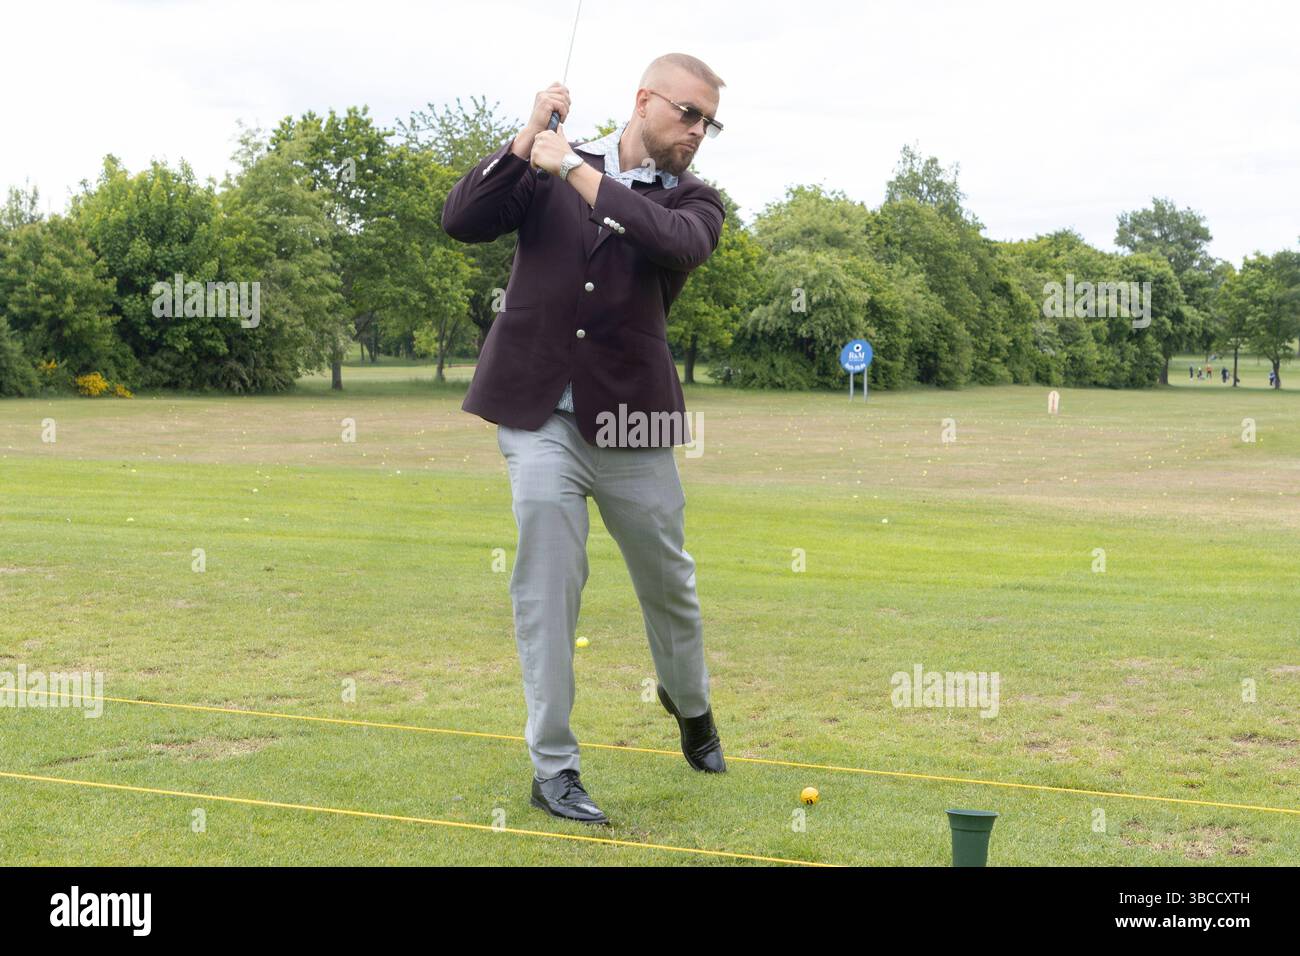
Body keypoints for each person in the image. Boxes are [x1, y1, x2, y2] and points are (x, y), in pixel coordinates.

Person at [442, 53, 729, 826]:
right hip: (538, 416)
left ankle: (689, 703)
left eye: (708, 121)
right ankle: (554, 769)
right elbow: (461, 219)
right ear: (644, 101)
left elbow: (668, 240)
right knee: (547, 580)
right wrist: (525, 136)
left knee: (669, 585)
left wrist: (569, 164)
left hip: (635, 422)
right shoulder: (546, 160)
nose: (698, 132)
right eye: (688, 114)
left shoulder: (697, 202)